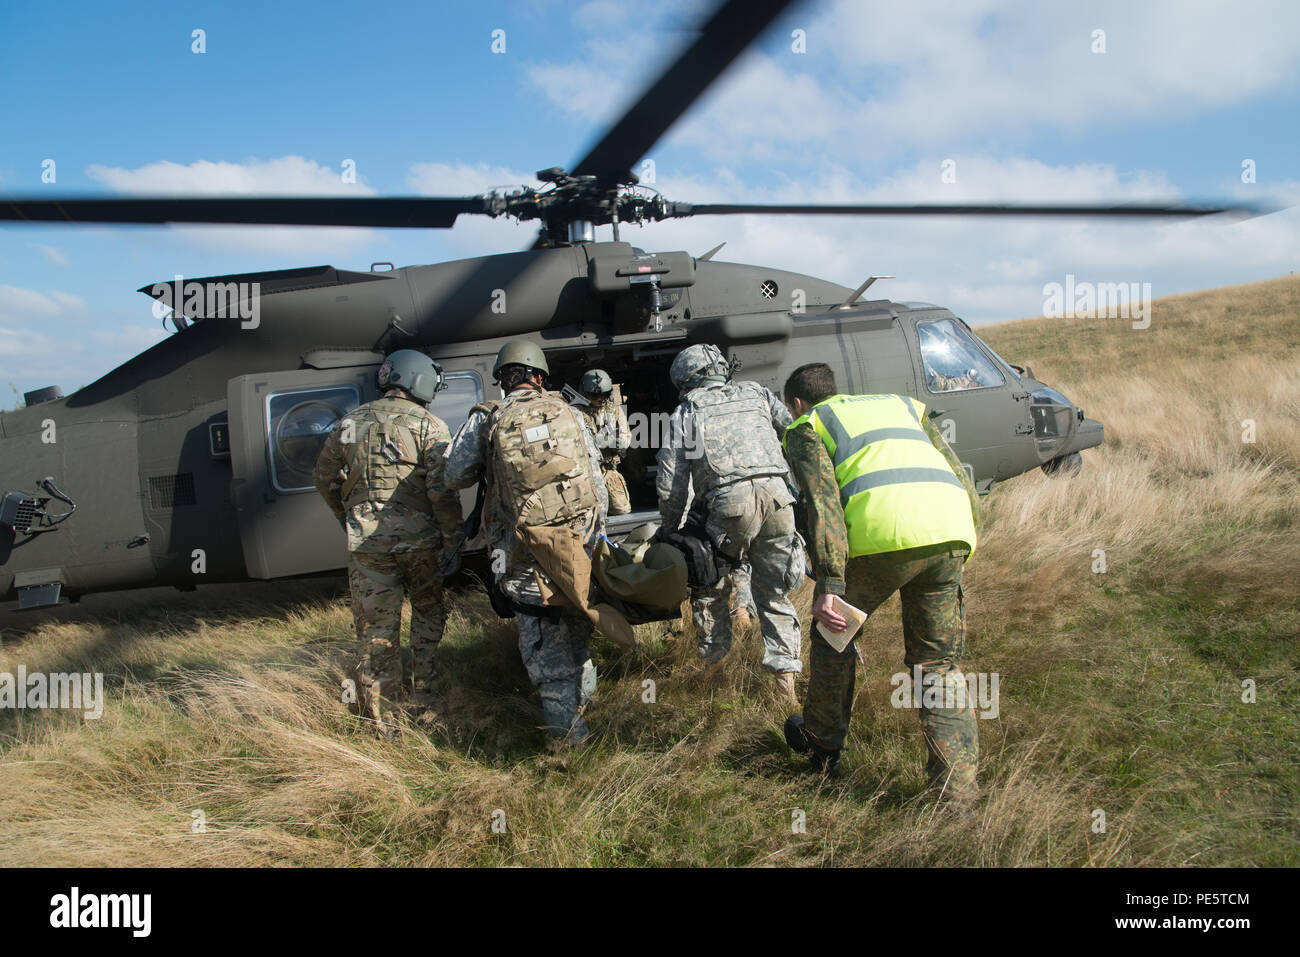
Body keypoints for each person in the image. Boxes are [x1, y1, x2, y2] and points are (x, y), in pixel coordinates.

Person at [779, 362, 982, 806]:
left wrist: (830, 581)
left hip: (879, 540)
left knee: (834, 635)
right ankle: (957, 795)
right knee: (937, 667)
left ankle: (823, 746)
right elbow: (960, 474)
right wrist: (966, 543)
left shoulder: (807, 425)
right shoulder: (904, 406)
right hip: (950, 532)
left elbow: (823, 505)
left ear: (796, 402)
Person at [442, 340, 609, 744]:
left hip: (521, 555)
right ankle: (585, 701)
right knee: (576, 626)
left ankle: (569, 745)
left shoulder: (488, 418)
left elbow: (454, 475)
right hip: (575, 547)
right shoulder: (571, 412)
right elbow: (598, 487)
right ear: (540, 375)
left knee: (545, 644)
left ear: (503, 377)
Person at [312, 349, 463, 736]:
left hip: (369, 549)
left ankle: (383, 722)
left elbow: (324, 477)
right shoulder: (430, 425)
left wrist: (349, 518)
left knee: (376, 630)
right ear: (420, 381)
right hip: (422, 545)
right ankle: (425, 695)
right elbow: (441, 492)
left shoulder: (350, 422)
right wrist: (452, 541)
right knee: (428, 613)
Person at [656, 343, 803, 703]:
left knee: (710, 589)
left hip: (729, 507)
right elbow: (797, 434)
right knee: (775, 594)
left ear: (685, 380)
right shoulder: (758, 394)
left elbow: (672, 479)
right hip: (779, 499)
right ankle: (786, 689)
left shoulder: (688, 411)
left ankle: (714, 677)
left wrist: (671, 529)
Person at [576, 368, 632, 515]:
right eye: (595, 395)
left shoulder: (615, 410)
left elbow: (625, 440)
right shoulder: (576, 412)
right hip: (585, 473)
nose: (600, 398)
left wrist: (606, 441)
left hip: (607, 469)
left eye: (605, 394)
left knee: (622, 509)